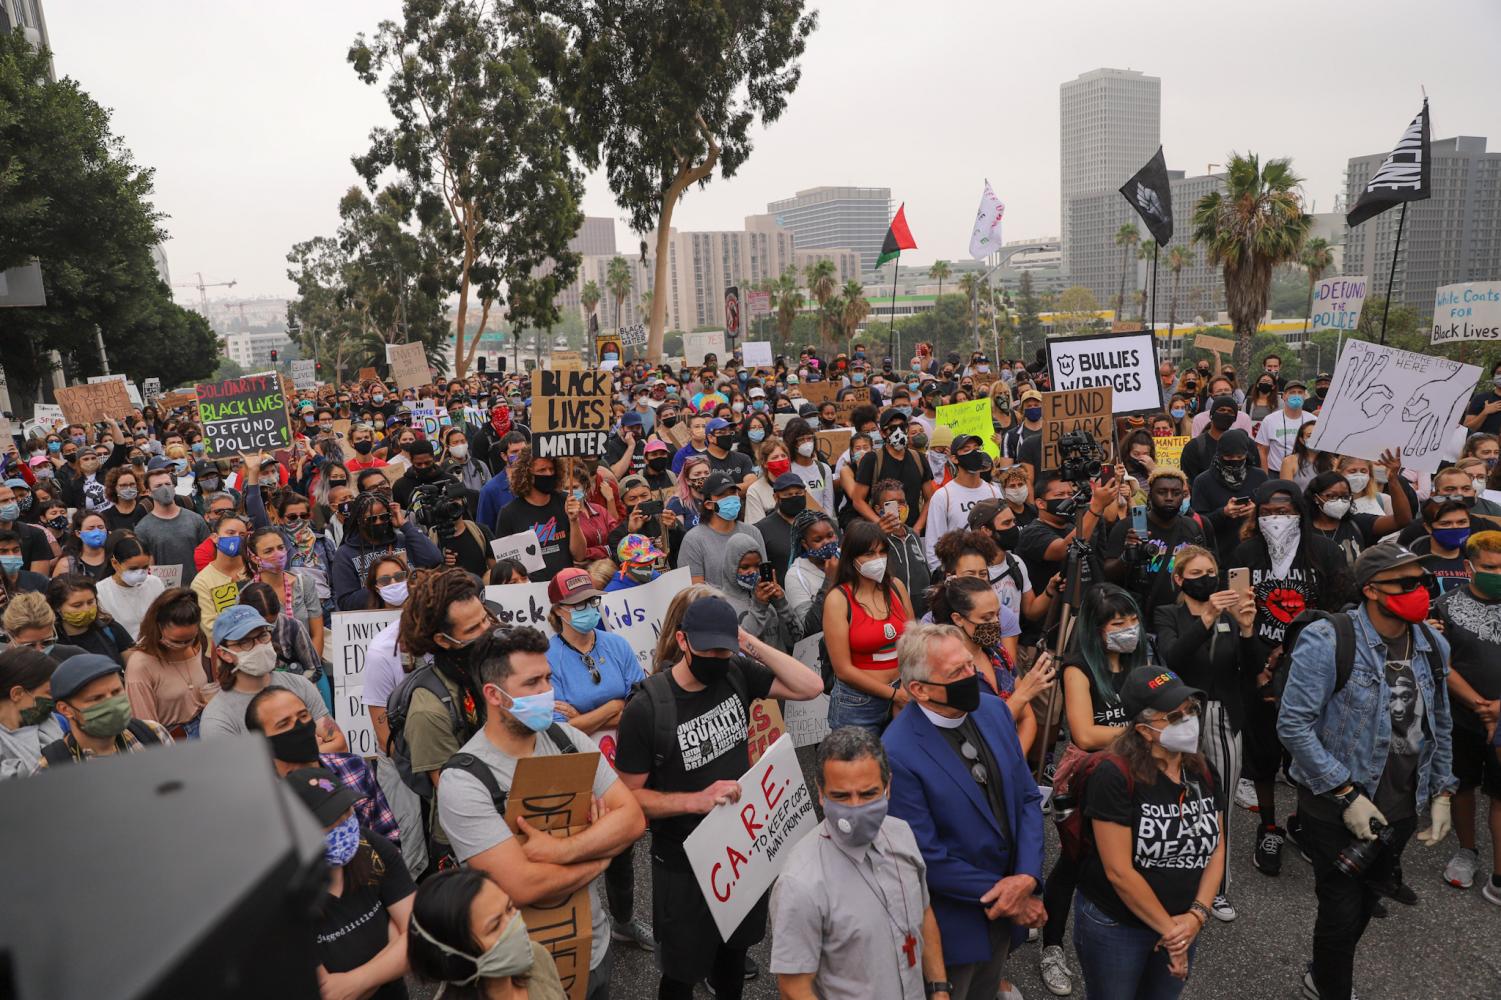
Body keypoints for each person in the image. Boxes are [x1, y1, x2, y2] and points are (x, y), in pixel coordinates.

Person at [614, 594, 823, 1000]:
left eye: (723, 648)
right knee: (680, 973)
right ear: (682, 640)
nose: (716, 656)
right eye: (707, 648)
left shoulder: (736, 671)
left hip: (741, 853)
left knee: (732, 963)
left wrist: (746, 641)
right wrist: (694, 801)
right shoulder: (647, 708)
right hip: (683, 861)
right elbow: (626, 797)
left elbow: (811, 686)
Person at [1278, 542, 1457, 1000]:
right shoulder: (1329, 640)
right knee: (1339, 915)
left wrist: (1441, 792)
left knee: (1363, 907)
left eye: (1424, 582)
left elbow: (1440, 723)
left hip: (1400, 805)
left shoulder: (1434, 644)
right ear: (1373, 590)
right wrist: (1345, 791)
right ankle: (1330, 987)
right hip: (1336, 806)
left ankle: (1322, 972)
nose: (1421, 592)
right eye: (1408, 583)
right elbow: (1293, 725)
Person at [436, 625, 647, 1000]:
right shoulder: (464, 780)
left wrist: (559, 850)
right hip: (521, 973)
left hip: (592, 950)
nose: (547, 692)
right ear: (494, 695)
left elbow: (632, 820)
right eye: (532, 683)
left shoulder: (570, 741)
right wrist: (599, 855)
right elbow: (521, 885)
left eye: (548, 678)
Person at [883, 621, 1046, 1000]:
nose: (971, 676)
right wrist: (1010, 896)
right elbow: (925, 855)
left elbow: (1025, 798)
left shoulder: (993, 711)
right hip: (952, 923)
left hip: (1006, 907)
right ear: (919, 690)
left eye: (969, 665)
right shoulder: (897, 753)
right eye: (956, 673)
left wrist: (1025, 877)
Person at [1074, 667, 1227, 1000]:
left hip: (1183, 923)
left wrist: (1196, 917)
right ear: (1144, 730)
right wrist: (1174, 932)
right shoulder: (1114, 775)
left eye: (1191, 711)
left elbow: (1216, 847)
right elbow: (1119, 872)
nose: (1188, 721)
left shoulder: (1201, 768)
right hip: (1119, 927)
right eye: (1174, 716)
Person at [770, 727, 950, 1000]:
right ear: (820, 793)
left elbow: (923, 913)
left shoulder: (901, 833)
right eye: (841, 796)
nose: (855, 808)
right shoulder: (800, 883)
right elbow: (794, 987)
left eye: (868, 794)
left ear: (888, 787)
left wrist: (939, 989)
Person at [1036, 584, 1145, 996]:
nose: (1128, 629)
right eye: (1118, 623)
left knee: (1121, 856)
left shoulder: (1139, 660)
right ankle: (1051, 947)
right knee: (1076, 860)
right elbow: (1083, 733)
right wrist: (1142, 733)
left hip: (1134, 774)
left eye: (1133, 620)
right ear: (1096, 629)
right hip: (1090, 778)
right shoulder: (1079, 667)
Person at [1153, 545, 1258, 922]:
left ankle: (1218, 888)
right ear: (1179, 579)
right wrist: (1208, 617)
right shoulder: (1168, 614)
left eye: (1211, 572)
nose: (1207, 579)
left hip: (1221, 715)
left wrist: (1247, 630)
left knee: (1221, 805)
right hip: (1180, 716)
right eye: (1196, 574)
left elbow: (1252, 670)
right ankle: (1173, 877)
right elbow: (1174, 657)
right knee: (1175, 799)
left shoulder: (1233, 612)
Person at [387, 568, 494, 867]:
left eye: (486, 619)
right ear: (443, 640)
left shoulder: (491, 669)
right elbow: (454, 794)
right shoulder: (428, 710)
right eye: (473, 630)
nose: (487, 631)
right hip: (471, 841)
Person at [287, 766, 415, 1000]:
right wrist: (393, 950)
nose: (344, 825)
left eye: (346, 812)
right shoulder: (286, 893)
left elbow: (420, 937)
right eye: (330, 821)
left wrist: (356, 981)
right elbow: (327, 993)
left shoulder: (371, 848)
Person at [1432, 530, 1501, 899]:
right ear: (1469, 567)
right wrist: (1480, 705)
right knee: (1463, 785)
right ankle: (1466, 850)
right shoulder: (1444, 606)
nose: (1499, 573)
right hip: (1460, 718)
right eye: (1491, 567)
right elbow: (1443, 662)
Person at [246, 686, 400, 846]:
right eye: (284, 723)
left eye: (303, 716)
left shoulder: (353, 766)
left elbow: (388, 835)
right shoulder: (261, 800)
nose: (299, 726)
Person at [406, 867, 568, 1000]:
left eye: (509, 908)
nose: (515, 924)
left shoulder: (538, 958)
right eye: (495, 925)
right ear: (458, 956)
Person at [823, 521, 915, 735]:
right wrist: (893, 695)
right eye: (869, 554)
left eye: (882, 552)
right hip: (858, 705)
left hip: (902, 693)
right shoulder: (838, 599)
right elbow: (843, 670)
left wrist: (906, 689)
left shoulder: (896, 587)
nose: (878, 560)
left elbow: (914, 643)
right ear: (851, 557)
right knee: (860, 766)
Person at [198, 604, 336, 740]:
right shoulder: (218, 717)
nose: (259, 646)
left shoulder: (300, 684)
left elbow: (337, 741)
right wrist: (312, 748)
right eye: (245, 642)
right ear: (224, 653)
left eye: (263, 636)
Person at [1102, 467, 1211, 622]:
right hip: (1140, 618)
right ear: (1150, 494)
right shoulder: (1128, 527)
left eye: (1176, 493)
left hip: (1183, 618)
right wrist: (1127, 556)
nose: (1169, 497)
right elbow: (1108, 574)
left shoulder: (1193, 528)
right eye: (1162, 492)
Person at [37, 652, 174, 767]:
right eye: (97, 698)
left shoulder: (152, 733)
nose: (112, 703)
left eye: (116, 692)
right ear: (65, 709)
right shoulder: (53, 768)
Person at [123, 588, 218, 740]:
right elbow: (146, 726)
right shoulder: (141, 665)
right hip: (174, 738)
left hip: (207, 727)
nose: (184, 645)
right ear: (158, 627)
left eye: (190, 639)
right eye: (176, 641)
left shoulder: (198, 646)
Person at [332, 490, 444, 608]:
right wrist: (384, 588)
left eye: (384, 517)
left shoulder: (403, 540)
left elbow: (434, 560)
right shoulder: (345, 553)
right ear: (360, 521)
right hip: (375, 620)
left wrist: (405, 526)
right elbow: (346, 601)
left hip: (411, 612)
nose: (379, 522)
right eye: (372, 519)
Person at [493, 449, 586, 583]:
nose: (548, 474)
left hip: (566, 584)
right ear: (527, 474)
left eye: (551, 469)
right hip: (532, 591)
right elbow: (505, 567)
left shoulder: (566, 502)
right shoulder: (509, 513)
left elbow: (580, 555)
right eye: (542, 470)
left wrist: (574, 521)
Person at [1305, 455, 1413, 567]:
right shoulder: (1303, 529)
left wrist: (1393, 479)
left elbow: (1403, 520)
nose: (1339, 501)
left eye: (1345, 496)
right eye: (1331, 496)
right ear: (1316, 498)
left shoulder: (1358, 523)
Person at [1190, 429, 1267, 568]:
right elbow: (1197, 523)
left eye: (1239, 457)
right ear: (1220, 455)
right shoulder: (1204, 481)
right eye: (1229, 457)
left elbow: (1271, 513)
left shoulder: (1259, 477)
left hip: (1256, 555)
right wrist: (1223, 513)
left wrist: (1255, 512)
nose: (1235, 462)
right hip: (1220, 555)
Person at [923, 436, 1002, 570]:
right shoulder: (943, 496)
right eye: (967, 450)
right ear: (954, 459)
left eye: (977, 449)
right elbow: (933, 544)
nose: (974, 453)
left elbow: (1003, 533)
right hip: (960, 575)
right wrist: (943, 576)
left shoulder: (994, 492)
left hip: (993, 571)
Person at [678, 471, 766, 588]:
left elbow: (764, 575)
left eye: (733, 493)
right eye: (722, 495)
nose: (730, 499)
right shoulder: (693, 540)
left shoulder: (752, 532)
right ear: (708, 504)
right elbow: (695, 590)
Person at [851, 408, 934, 529]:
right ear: (883, 433)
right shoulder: (872, 460)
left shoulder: (919, 458)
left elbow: (929, 499)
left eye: (902, 426)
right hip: (882, 535)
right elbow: (858, 500)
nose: (899, 432)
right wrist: (880, 524)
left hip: (913, 532)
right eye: (893, 428)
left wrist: (917, 529)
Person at [247, 526, 325, 656]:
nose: (277, 554)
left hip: (308, 664)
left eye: (280, 548)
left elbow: (317, 634)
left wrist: (312, 669)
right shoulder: (248, 595)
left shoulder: (304, 583)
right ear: (255, 558)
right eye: (268, 551)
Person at [135, 465, 210, 585]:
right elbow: (145, 567)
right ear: (149, 492)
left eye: (168, 484)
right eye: (158, 486)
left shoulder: (195, 519)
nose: (165, 488)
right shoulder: (142, 529)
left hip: (199, 588)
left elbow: (209, 556)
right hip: (166, 594)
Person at [872, 478, 933, 620]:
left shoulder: (913, 535)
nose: (899, 507)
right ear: (878, 509)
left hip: (922, 613)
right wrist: (879, 536)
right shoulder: (874, 539)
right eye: (892, 503)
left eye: (902, 502)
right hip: (891, 612)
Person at [0, 647, 61, 780]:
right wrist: (50, 759)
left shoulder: (48, 720)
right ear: (17, 694)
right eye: (49, 693)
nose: (54, 700)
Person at [47, 574, 133, 665]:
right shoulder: (47, 640)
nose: (86, 609)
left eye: (90, 602)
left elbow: (134, 667)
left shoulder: (111, 628)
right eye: (77, 605)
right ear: (57, 607)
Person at [93, 534, 165, 641]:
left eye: (145, 567)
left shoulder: (155, 583)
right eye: (133, 568)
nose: (140, 573)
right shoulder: (100, 591)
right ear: (115, 563)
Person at [191, 511, 251, 637]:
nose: (237, 538)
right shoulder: (202, 581)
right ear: (215, 537)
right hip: (222, 652)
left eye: (242, 535)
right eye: (230, 533)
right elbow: (210, 627)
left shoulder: (254, 570)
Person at [1409, 497, 1474, 595]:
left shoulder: (1479, 559)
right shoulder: (1411, 562)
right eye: (1446, 524)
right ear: (1428, 528)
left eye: (1462, 522)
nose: (1455, 527)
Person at [1255, 378, 1315, 473]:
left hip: (1304, 473)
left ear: (1304, 396)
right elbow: (1262, 451)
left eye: (1300, 392)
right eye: (1292, 392)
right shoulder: (1269, 420)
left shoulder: (1313, 420)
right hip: (1275, 473)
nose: (1296, 395)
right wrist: (1265, 475)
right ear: (1284, 396)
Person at [101, 465, 148, 532]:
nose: (129, 488)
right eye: (123, 485)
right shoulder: (106, 516)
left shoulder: (146, 504)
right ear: (114, 488)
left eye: (132, 484)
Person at [1461, 359, 1501, 435]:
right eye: (1499, 373)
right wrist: (1485, 412)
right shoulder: (1480, 398)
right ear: (1494, 376)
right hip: (1484, 445)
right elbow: (1467, 428)